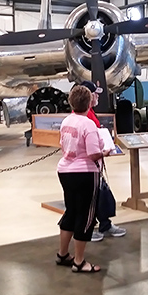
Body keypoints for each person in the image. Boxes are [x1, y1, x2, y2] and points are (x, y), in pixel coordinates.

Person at [56, 85, 110, 273]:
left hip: (65, 170)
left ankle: (63, 253)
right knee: (86, 216)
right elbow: (93, 154)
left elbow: (63, 144)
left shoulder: (66, 121)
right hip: (85, 173)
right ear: (89, 102)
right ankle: (79, 261)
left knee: (71, 211)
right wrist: (106, 152)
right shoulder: (88, 124)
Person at [78, 80, 127, 242]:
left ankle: (105, 224)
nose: (98, 95)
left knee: (100, 195)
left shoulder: (90, 112)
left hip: (96, 162)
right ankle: (88, 228)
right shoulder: (83, 117)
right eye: (95, 93)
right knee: (89, 199)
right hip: (87, 163)